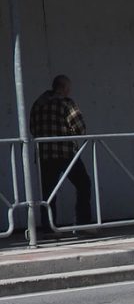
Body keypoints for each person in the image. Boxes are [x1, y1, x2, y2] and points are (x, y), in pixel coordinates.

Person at [30, 74, 93, 231]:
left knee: (48, 193)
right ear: (63, 88)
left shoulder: (37, 104)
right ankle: (83, 223)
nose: (69, 91)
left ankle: (49, 228)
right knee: (84, 184)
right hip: (65, 153)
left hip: (44, 154)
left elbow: (32, 128)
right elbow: (80, 128)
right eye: (68, 88)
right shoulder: (66, 103)